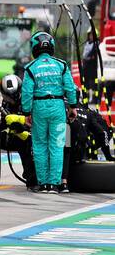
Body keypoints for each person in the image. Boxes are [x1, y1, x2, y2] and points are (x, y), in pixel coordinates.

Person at [21, 31, 77, 194]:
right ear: (51, 46)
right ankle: (54, 184)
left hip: (39, 107)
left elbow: (26, 93)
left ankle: (43, 183)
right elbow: (70, 88)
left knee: (39, 145)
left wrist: (26, 113)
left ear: (34, 47)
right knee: (57, 145)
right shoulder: (61, 65)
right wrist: (72, 106)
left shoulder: (30, 68)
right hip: (58, 106)